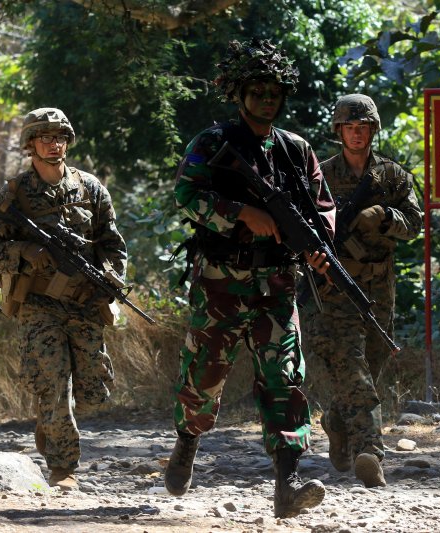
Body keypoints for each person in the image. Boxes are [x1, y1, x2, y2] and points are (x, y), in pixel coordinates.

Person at [165, 38, 334, 519]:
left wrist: (320, 250)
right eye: (257, 91)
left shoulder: (296, 150)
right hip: (222, 284)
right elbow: (186, 194)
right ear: (239, 95)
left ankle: (288, 482)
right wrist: (240, 213)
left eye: (274, 92)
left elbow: (322, 210)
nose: (266, 99)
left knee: (285, 379)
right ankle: (186, 443)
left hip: (278, 286)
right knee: (203, 379)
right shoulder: (213, 143)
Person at [0, 107, 127, 491]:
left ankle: (48, 421)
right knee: (54, 385)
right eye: (45, 138)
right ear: (30, 145)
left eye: (59, 138)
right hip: (38, 305)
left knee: (92, 387)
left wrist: (110, 277)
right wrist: (23, 253)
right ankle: (63, 468)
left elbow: (113, 244)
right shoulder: (14, 195)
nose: (54, 144)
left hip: (84, 300)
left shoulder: (90, 189)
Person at [301, 94, 422, 487]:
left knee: (371, 365)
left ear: (373, 129)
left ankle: (337, 420)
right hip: (334, 290)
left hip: (378, 287)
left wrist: (385, 216)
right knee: (354, 371)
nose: (357, 133)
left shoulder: (392, 176)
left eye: (363, 126)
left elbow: (416, 223)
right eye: (350, 127)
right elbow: (300, 227)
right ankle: (370, 451)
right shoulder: (320, 175)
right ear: (340, 131)